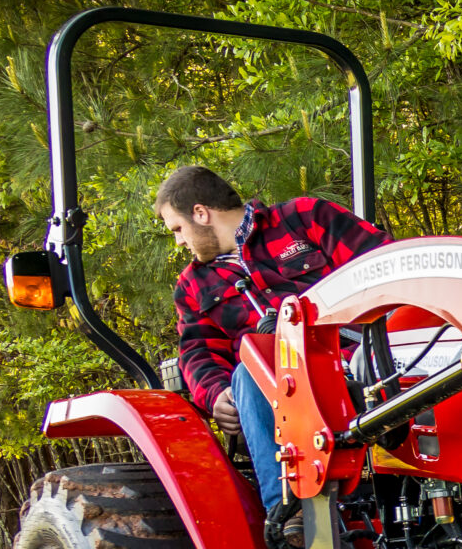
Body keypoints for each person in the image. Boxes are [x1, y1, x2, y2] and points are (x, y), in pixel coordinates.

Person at [158, 165, 394, 514]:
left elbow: (383, 268)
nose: (179, 241)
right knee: (250, 372)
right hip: (278, 393)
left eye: (178, 228)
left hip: (363, 364)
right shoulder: (192, 286)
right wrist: (216, 395)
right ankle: (289, 515)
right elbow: (199, 355)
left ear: (201, 213)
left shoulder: (305, 218)